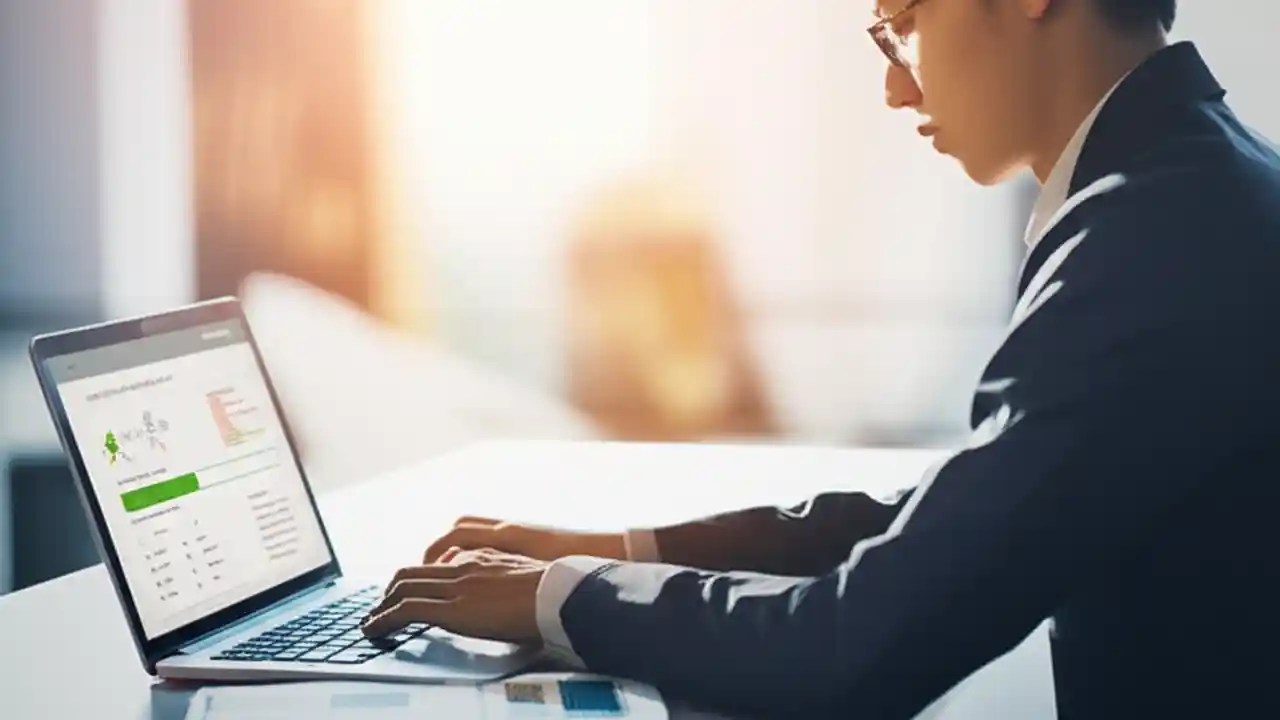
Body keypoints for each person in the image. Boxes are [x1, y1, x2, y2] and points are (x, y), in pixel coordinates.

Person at [362, 1, 1280, 716]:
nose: (897, 88)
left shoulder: (1150, 240)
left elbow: (854, 650)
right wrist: (611, 550)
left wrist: (561, 599)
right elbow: (950, 518)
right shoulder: (1202, 184)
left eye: (904, 27)